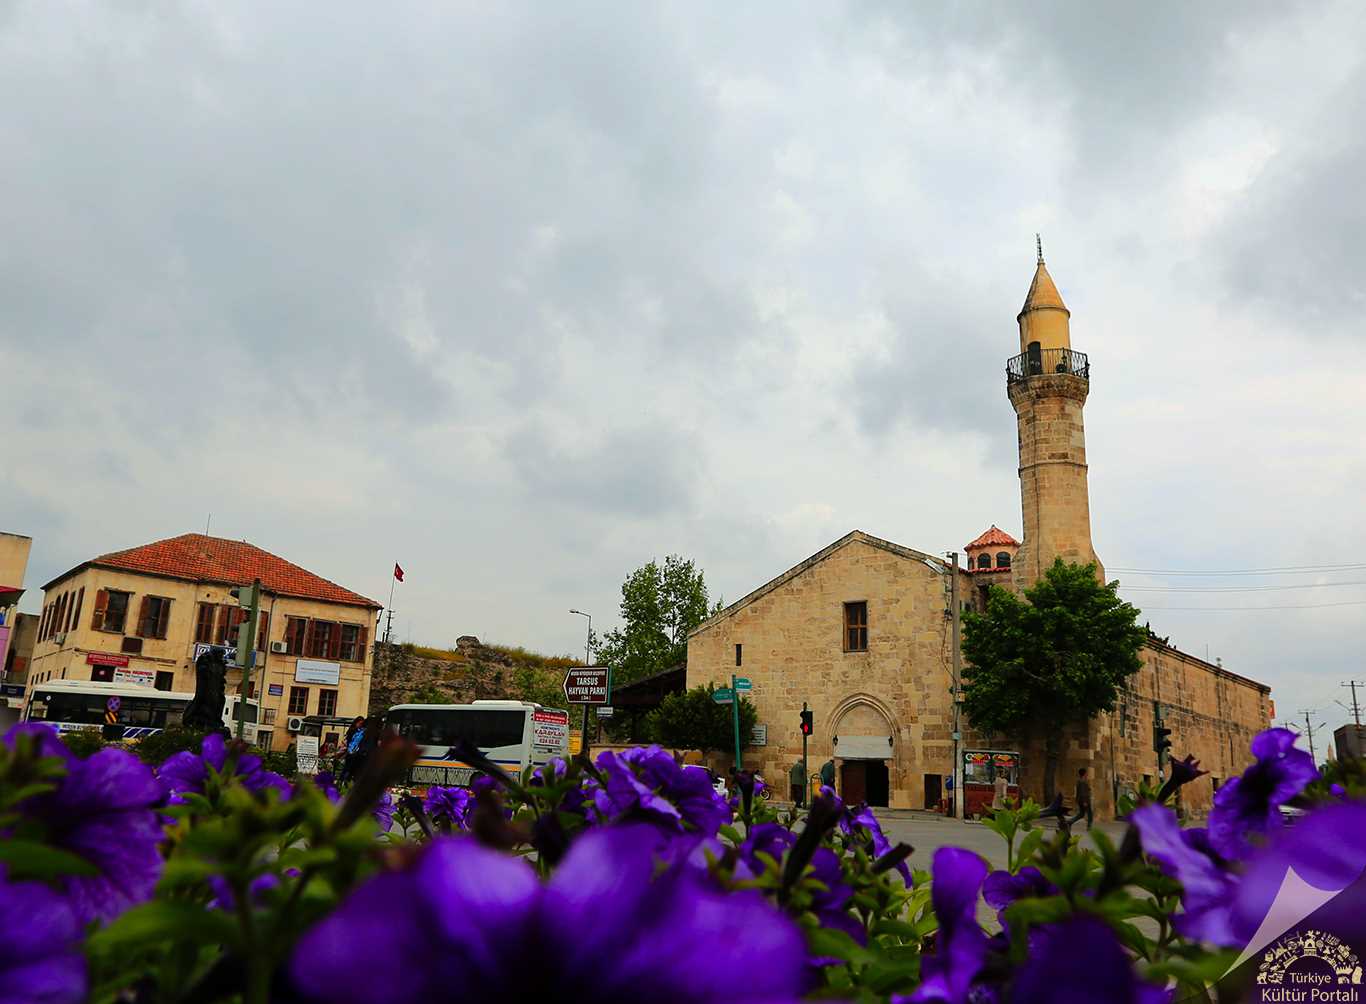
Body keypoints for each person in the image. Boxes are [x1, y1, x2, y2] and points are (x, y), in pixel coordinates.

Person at [338, 716, 366, 785]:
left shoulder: (362, 731)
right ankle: (341, 780)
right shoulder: (352, 730)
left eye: (362, 724)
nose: (360, 725)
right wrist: (349, 749)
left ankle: (347, 781)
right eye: (359, 723)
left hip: (357, 752)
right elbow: (348, 741)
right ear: (356, 723)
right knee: (347, 767)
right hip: (350, 751)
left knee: (354, 768)